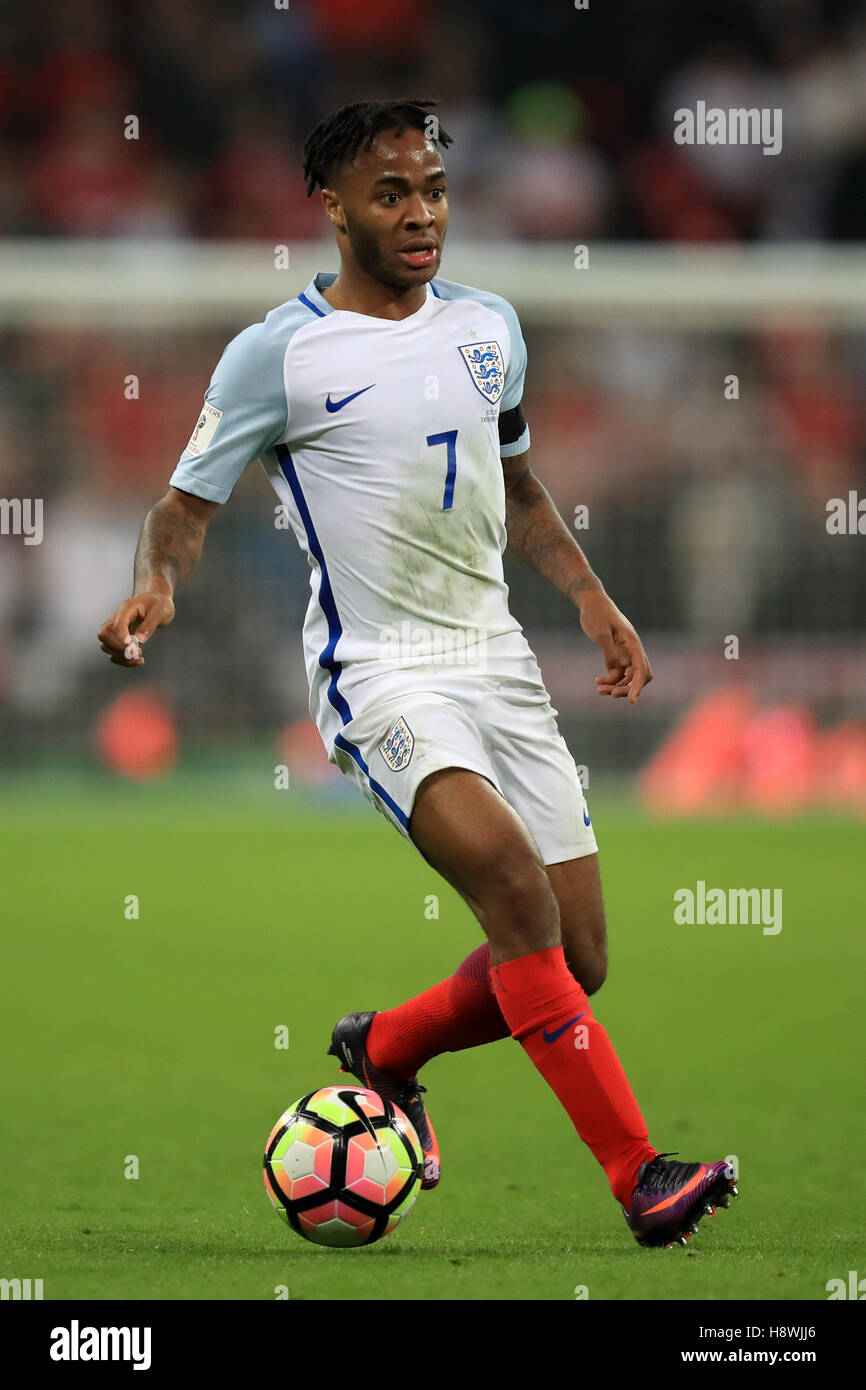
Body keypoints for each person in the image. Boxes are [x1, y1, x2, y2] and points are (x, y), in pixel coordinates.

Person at [98, 99, 737, 1248]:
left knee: (575, 959)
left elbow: (521, 489)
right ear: (332, 208)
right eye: (391, 193)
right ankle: (639, 1173)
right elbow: (180, 506)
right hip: (377, 670)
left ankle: (384, 1047)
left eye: (434, 189)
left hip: (495, 658)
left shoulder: (489, 326)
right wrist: (159, 583)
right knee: (510, 889)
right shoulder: (275, 354)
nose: (420, 212)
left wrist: (590, 597)